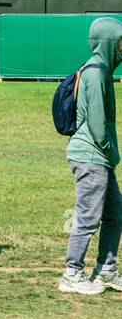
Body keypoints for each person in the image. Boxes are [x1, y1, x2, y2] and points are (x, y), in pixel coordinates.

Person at [57, 18, 122, 294]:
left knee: (115, 213)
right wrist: (111, 151)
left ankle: (106, 269)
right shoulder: (95, 73)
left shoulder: (100, 69)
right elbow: (97, 124)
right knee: (87, 216)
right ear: (108, 42)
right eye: (120, 43)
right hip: (91, 156)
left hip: (99, 157)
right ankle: (72, 274)